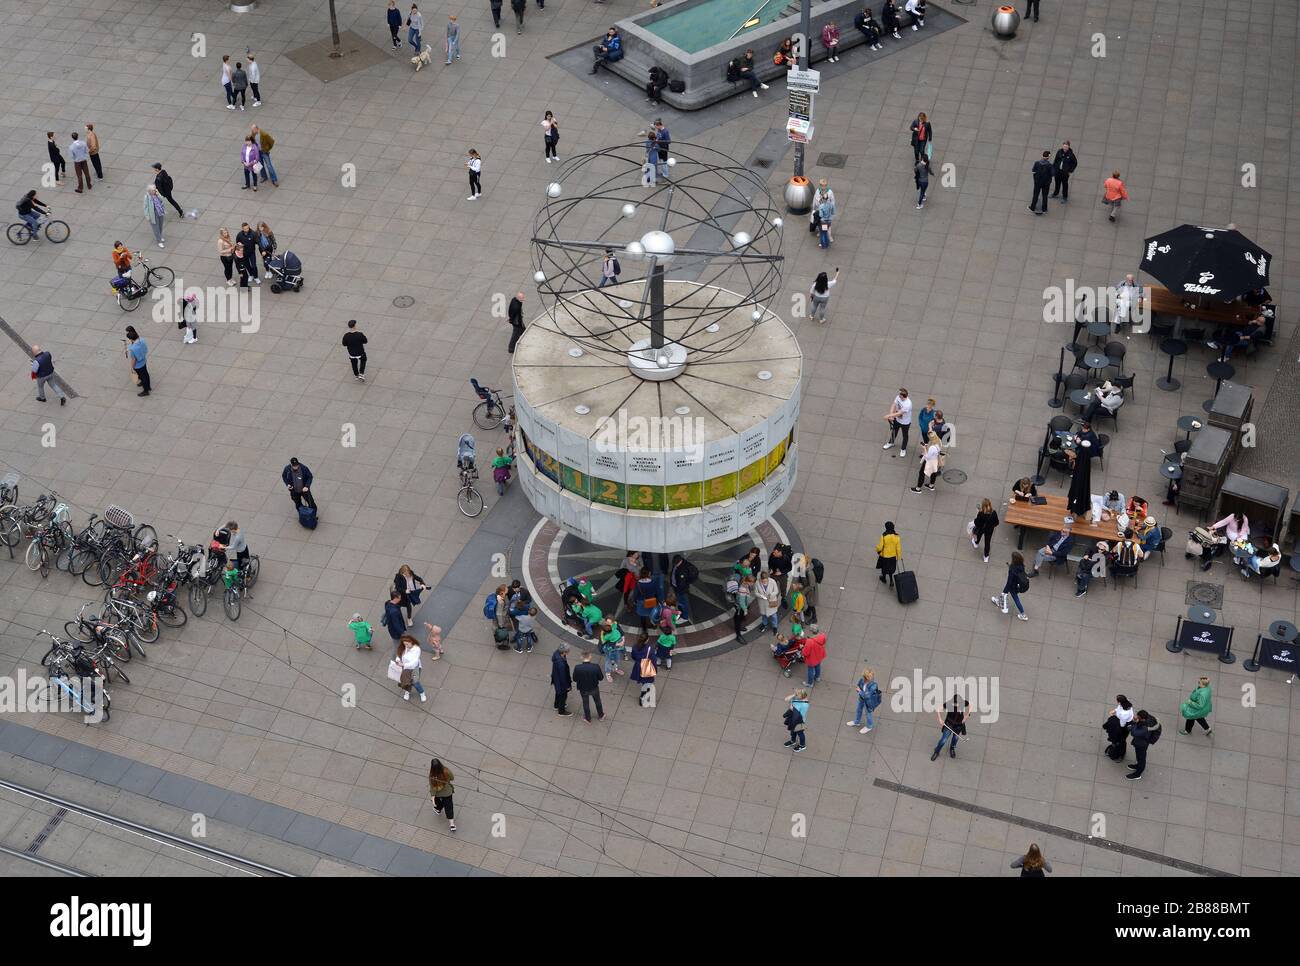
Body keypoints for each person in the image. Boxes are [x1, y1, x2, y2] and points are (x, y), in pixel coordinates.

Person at [931, 693, 969, 760]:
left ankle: (952, 749)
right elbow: (938, 709)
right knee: (943, 740)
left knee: (955, 739)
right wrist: (940, 719)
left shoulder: (962, 703)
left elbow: (970, 705)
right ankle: (936, 751)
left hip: (958, 725)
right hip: (949, 725)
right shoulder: (949, 704)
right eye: (956, 704)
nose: (958, 705)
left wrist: (967, 715)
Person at [993, 550, 1029, 620]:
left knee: (1015, 598)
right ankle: (998, 600)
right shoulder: (1021, 565)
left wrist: (1007, 588)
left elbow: (1009, 581)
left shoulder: (1012, 568)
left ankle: (1023, 614)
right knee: (1005, 593)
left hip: (1012, 586)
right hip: (1018, 585)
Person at [572, 651, 605, 723]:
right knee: (597, 701)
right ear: (590, 657)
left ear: (581, 657)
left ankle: (588, 718)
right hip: (594, 688)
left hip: (583, 689)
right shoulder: (596, 667)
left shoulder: (577, 668)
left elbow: (574, 679)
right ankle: (601, 715)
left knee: (585, 703)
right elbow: (601, 678)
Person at [848, 666, 881, 733]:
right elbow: (859, 684)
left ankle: (869, 726)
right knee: (858, 709)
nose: (863, 679)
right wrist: (858, 689)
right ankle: (857, 721)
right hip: (861, 698)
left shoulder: (873, 685)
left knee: (868, 713)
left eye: (865, 677)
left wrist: (859, 691)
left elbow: (867, 696)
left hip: (868, 702)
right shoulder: (862, 680)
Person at [1126, 710, 1158, 780]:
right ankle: (1138, 766)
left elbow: (1134, 733)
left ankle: (1138, 774)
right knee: (1139, 756)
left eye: (1138, 716)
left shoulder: (1144, 728)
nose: (1136, 716)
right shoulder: (1149, 718)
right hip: (1143, 742)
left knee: (1141, 758)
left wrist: (1134, 723)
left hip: (1141, 744)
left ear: (1141, 718)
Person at [395, 633, 427, 702]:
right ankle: (407, 691)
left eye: (407, 644)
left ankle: (422, 693)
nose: (406, 646)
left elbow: (414, 663)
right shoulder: (404, 647)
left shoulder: (417, 649)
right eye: (404, 644)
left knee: (415, 682)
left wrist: (403, 665)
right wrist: (398, 660)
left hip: (414, 668)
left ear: (411, 641)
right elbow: (399, 654)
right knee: (406, 681)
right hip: (405, 668)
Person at [427, 759, 456, 831]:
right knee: (449, 806)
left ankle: (438, 809)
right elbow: (452, 778)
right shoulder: (446, 770)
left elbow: (432, 787)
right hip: (447, 792)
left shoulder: (432, 775)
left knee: (438, 802)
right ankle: (452, 824)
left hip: (438, 793)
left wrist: (433, 799)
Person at [882, 388, 912, 455]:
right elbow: (894, 404)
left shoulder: (908, 404)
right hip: (897, 420)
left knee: (905, 436)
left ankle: (903, 449)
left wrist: (889, 416)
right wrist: (891, 415)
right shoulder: (898, 397)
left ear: (903, 396)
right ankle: (891, 442)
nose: (898, 395)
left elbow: (899, 413)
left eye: (900, 394)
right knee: (894, 431)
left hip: (905, 422)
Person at [630, 633, 657, 707]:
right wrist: (655, 670)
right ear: (647, 640)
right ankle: (642, 698)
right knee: (647, 683)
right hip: (646, 667)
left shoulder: (635, 647)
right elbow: (654, 661)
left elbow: (633, 656)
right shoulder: (650, 649)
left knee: (643, 681)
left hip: (638, 667)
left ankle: (643, 696)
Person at [669, 554, 697, 623]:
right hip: (676, 587)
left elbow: (694, 574)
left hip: (681, 590)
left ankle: (685, 617)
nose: (675, 565)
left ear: (680, 561)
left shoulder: (684, 568)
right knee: (680, 602)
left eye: (676, 564)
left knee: (684, 603)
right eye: (674, 564)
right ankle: (680, 614)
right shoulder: (677, 564)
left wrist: (687, 582)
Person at [124, 325, 150, 396]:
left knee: (142, 376)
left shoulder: (133, 349)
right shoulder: (142, 340)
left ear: (131, 339)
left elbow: (134, 359)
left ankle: (146, 390)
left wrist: (132, 367)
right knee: (146, 374)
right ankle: (148, 386)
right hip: (143, 360)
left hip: (138, 365)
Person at [970, 498, 998, 562]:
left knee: (979, 535)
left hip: (982, 528)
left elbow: (977, 522)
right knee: (987, 542)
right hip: (989, 530)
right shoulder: (994, 512)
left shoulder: (981, 514)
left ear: (983, 506)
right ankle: (986, 556)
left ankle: (976, 543)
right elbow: (996, 522)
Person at [551, 642, 573, 716]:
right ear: (564, 652)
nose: (569, 652)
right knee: (563, 696)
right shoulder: (561, 664)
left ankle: (556, 705)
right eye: (568, 651)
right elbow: (563, 677)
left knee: (558, 693)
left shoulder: (556, 654)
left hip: (556, 679)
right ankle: (561, 711)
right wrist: (567, 686)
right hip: (561, 683)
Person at [1028, 150, 1053, 214]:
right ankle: (1044, 209)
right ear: (1048, 157)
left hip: (1037, 182)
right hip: (1046, 184)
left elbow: (1033, 171)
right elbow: (1053, 174)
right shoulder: (1050, 166)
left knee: (1035, 195)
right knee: (1045, 196)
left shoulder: (1037, 163)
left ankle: (1032, 207)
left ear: (1042, 156)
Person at [143, 185, 166, 249]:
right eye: (153, 190)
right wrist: (147, 216)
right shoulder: (147, 197)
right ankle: (159, 241)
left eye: (155, 189)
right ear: (150, 191)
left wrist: (158, 194)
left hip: (160, 211)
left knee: (160, 226)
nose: (155, 190)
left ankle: (160, 236)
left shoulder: (157, 194)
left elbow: (162, 200)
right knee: (156, 228)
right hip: (153, 214)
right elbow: (145, 207)